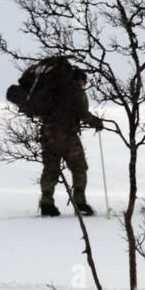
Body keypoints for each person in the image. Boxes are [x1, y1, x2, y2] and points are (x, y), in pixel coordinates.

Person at [39, 68, 103, 217]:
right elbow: (82, 113)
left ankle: (46, 203)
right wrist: (95, 122)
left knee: (50, 168)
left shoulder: (53, 90)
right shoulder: (75, 91)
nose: (84, 84)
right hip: (67, 135)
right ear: (79, 80)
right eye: (84, 81)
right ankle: (80, 202)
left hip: (48, 134)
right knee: (79, 167)